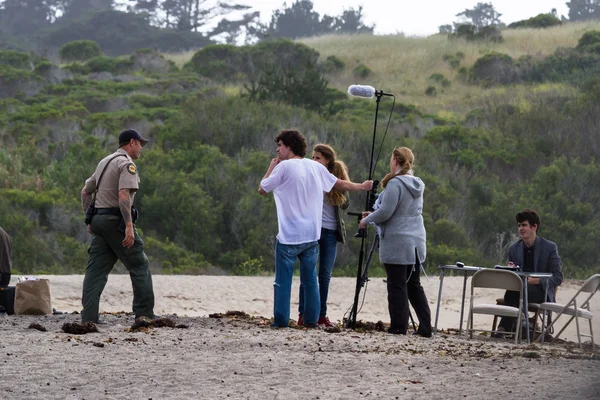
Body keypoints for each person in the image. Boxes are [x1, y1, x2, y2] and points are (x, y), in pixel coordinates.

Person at [259, 129, 373, 328]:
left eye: (280, 145)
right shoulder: (315, 167)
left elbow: (262, 189)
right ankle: (311, 320)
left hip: (289, 235)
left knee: (283, 282)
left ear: (290, 146)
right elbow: (339, 183)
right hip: (311, 235)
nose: (277, 150)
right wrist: (362, 187)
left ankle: (281, 321)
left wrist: (270, 168)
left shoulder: (283, 167)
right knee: (311, 281)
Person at [80, 129, 155, 324]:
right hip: (116, 222)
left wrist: (88, 219)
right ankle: (144, 313)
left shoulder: (104, 162)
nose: (141, 149)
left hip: (99, 221)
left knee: (96, 270)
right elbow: (123, 196)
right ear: (131, 142)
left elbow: (85, 192)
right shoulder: (126, 164)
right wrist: (129, 226)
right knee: (139, 264)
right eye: (140, 144)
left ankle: (88, 317)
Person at [359, 147, 432, 337]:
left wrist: (366, 220)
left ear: (396, 161)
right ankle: (426, 327)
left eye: (391, 159)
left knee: (396, 284)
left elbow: (386, 212)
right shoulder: (417, 184)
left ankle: (399, 326)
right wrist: (374, 215)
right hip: (416, 241)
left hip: (398, 241)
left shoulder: (395, 184)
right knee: (414, 285)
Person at [297, 144, 350, 327]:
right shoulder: (309, 176)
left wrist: (339, 184)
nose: (314, 161)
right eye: (313, 157)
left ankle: (321, 314)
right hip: (312, 230)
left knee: (324, 275)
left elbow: (345, 205)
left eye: (318, 158)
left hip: (330, 230)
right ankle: (303, 314)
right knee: (307, 272)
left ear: (327, 160)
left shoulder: (335, 178)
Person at [497, 208, 563, 335]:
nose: (521, 228)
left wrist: (535, 280)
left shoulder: (550, 247)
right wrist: (510, 270)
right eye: (519, 225)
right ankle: (517, 323)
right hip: (519, 288)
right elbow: (514, 274)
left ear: (534, 227)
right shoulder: (513, 249)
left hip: (541, 291)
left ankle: (506, 327)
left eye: (524, 225)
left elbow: (558, 277)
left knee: (514, 292)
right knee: (514, 291)